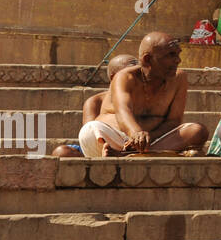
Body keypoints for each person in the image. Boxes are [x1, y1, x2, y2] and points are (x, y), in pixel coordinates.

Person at [77, 33, 208, 156]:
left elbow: (173, 122)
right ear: (147, 59)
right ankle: (139, 154)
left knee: (197, 131)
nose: (178, 60)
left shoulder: (180, 78)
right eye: (170, 55)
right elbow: (124, 111)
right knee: (89, 131)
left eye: (178, 54)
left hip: (155, 142)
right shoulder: (124, 77)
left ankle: (130, 155)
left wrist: (146, 140)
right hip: (116, 138)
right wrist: (135, 134)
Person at [51, 54, 136, 157]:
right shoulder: (95, 101)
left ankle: (120, 154)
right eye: (131, 73)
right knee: (61, 152)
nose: (137, 78)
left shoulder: (147, 97)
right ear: (114, 77)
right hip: (102, 146)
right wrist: (106, 147)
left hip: (133, 145)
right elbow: (90, 135)